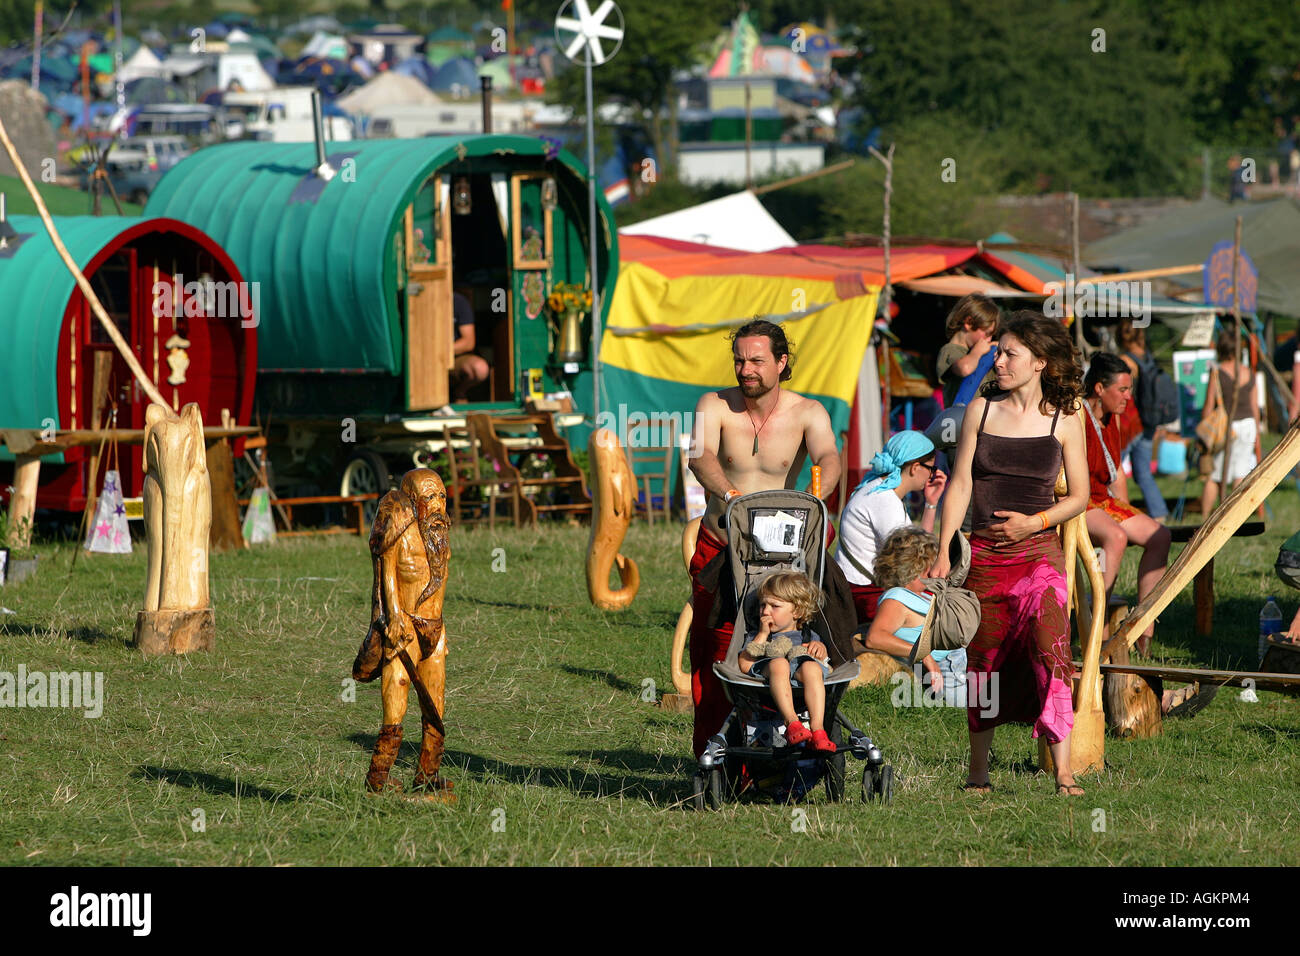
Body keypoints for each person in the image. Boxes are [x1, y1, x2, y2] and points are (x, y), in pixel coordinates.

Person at [930, 310, 1090, 796]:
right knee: (984, 662)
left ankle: (1063, 771)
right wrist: (943, 551)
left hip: (1040, 554)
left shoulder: (1068, 415)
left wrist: (1033, 523)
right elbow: (960, 485)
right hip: (983, 556)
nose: (996, 360)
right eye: (997, 351)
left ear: (1040, 362)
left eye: (1008, 353)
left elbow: (1079, 497)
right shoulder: (979, 409)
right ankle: (978, 774)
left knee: (1052, 649)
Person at [686, 319, 842, 758]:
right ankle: (714, 757)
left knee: (792, 650)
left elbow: (829, 455)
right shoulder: (714, 405)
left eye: (756, 359)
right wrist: (732, 496)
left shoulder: (807, 411)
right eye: (739, 359)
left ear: (781, 361)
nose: (745, 368)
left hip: (781, 557)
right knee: (717, 653)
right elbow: (700, 455)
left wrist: (817, 492)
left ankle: (790, 749)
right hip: (722, 547)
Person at [1082, 353, 1171, 656]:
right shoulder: (1075, 416)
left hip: (1102, 500)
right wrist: (1116, 523)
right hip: (1078, 501)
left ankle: (1143, 632)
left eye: (1129, 389)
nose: (1128, 397)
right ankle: (1100, 636)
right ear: (1098, 389)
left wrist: (1125, 511)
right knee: (1115, 537)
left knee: (1160, 536)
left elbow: (1116, 470)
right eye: (1122, 390)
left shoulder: (1113, 418)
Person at [835, 430, 946, 624]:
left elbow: (917, 548)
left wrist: (931, 503)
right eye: (931, 468)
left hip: (857, 590)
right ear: (915, 468)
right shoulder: (885, 502)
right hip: (864, 597)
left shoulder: (878, 489)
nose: (932, 474)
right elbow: (911, 565)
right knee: (942, 613)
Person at [858, 526, 967, 706]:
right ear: (913, 568)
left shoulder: (919, 594)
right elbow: (875, 638)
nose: (934, 573)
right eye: (929, 566)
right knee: (977, 715)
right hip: (947, 668)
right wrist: (926, 658)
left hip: (956, 661)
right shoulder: (896, 599)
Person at [738, 571, 836, 753]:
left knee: (812, 667)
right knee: (779, 663)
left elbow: (826, 665)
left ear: (797, 612)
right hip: (770, 677)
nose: (765, 611)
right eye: (762, 605)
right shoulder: (756, 635)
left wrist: (820, 651)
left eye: (774, 606)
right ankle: (792, 723)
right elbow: (744, 665)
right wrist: (762, 634)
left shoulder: (809, 636)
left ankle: (818, 729)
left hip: (800, 676)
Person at [1199, 329, 1261, 517]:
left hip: (1226, 428)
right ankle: (1234, 516)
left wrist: (1204, 431)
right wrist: (1257, 433)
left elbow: (1209, 404)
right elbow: (1254, 406)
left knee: (1215, 476)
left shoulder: (1217, 372)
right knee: (1240, 472)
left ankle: (1205, 516)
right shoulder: (1248, 373)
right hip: (1248, 425)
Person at [1116, 320, 1170, 522]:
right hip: (1147, 422)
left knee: (1113, 471)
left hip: (1129, 424)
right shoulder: (1146, 358)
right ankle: (1159, 514)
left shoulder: (1123, 361)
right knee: (1143, 473)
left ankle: (1117, 513)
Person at [937, 293, 1001, 408]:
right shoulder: (950, 350)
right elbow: (965, 369)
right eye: (987, 333)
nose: (989, 339)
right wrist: (977, 352)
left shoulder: (976, 352)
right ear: (969, 323)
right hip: (958, 419)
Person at [450, 291, 489, 402]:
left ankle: (459, 393)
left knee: (480, 368)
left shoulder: (458, 302)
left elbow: (468, 342)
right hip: (425, 360)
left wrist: (440, 352)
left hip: (454, 359)